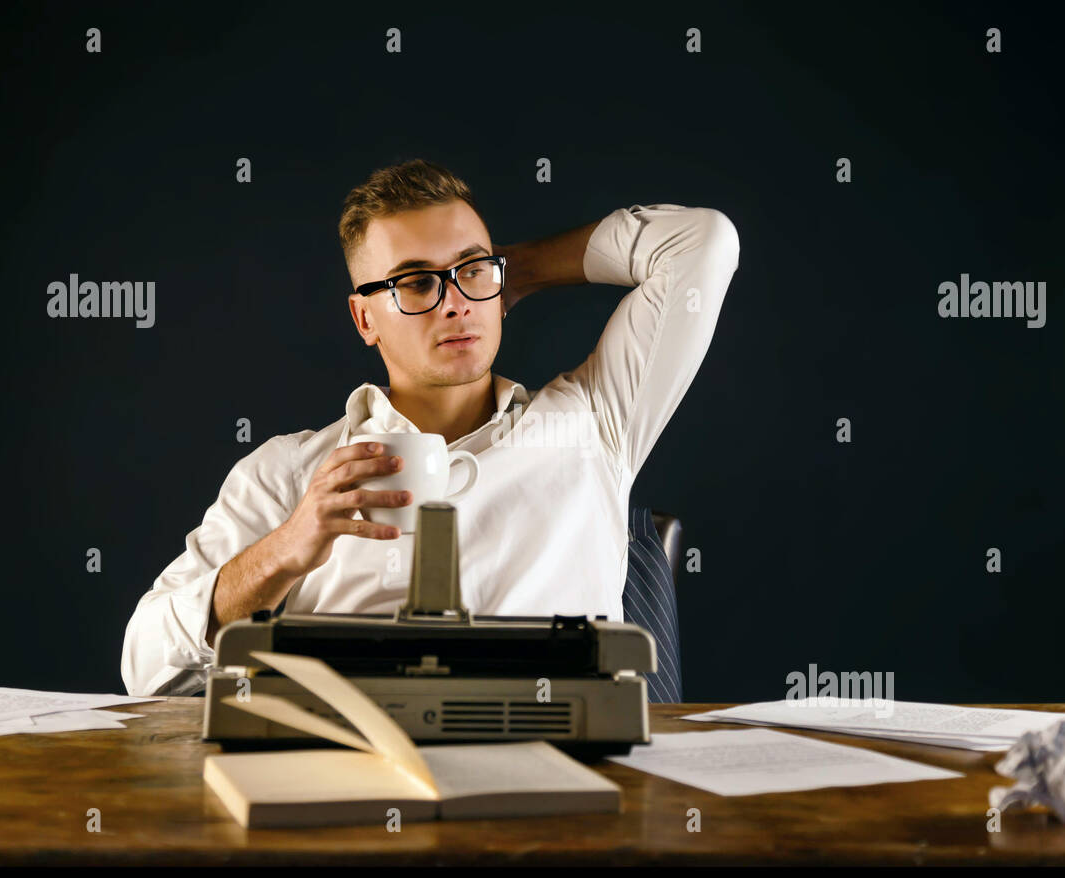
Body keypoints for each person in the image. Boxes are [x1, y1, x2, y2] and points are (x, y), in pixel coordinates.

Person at [121, 158, 739, 697]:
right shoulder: (288, 475)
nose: (454, 303)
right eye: (416, 281)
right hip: (352, 790)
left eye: (470, 270)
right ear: (365, 318)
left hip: (559, 790)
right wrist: (285, 551)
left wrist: (509, 272)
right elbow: (145, 667)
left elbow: (701, 243)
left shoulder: (596, 420)